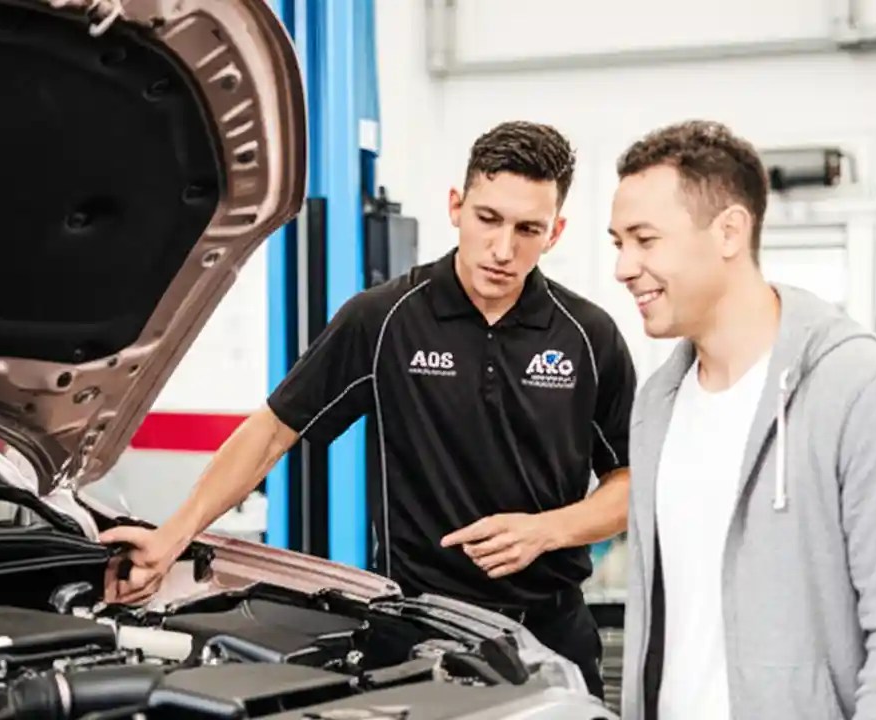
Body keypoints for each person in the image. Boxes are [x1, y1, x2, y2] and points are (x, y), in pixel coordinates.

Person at [98, 120, 638, 699]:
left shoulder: (589, 337)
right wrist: (173, 536)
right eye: (489, 219)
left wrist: (547, 531)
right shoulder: (382, 321)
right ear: (456, 207)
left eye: (528, 229)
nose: (504, 250)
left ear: (554, 233)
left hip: (554, 632)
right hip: (419, 634)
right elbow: (271, 432)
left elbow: (632, 482)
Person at [608, 119, 876, 720]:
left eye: (645, 240)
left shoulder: (865, 395)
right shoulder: (658, 405)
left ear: (729, 232)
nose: (623, 267)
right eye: (617, 243)